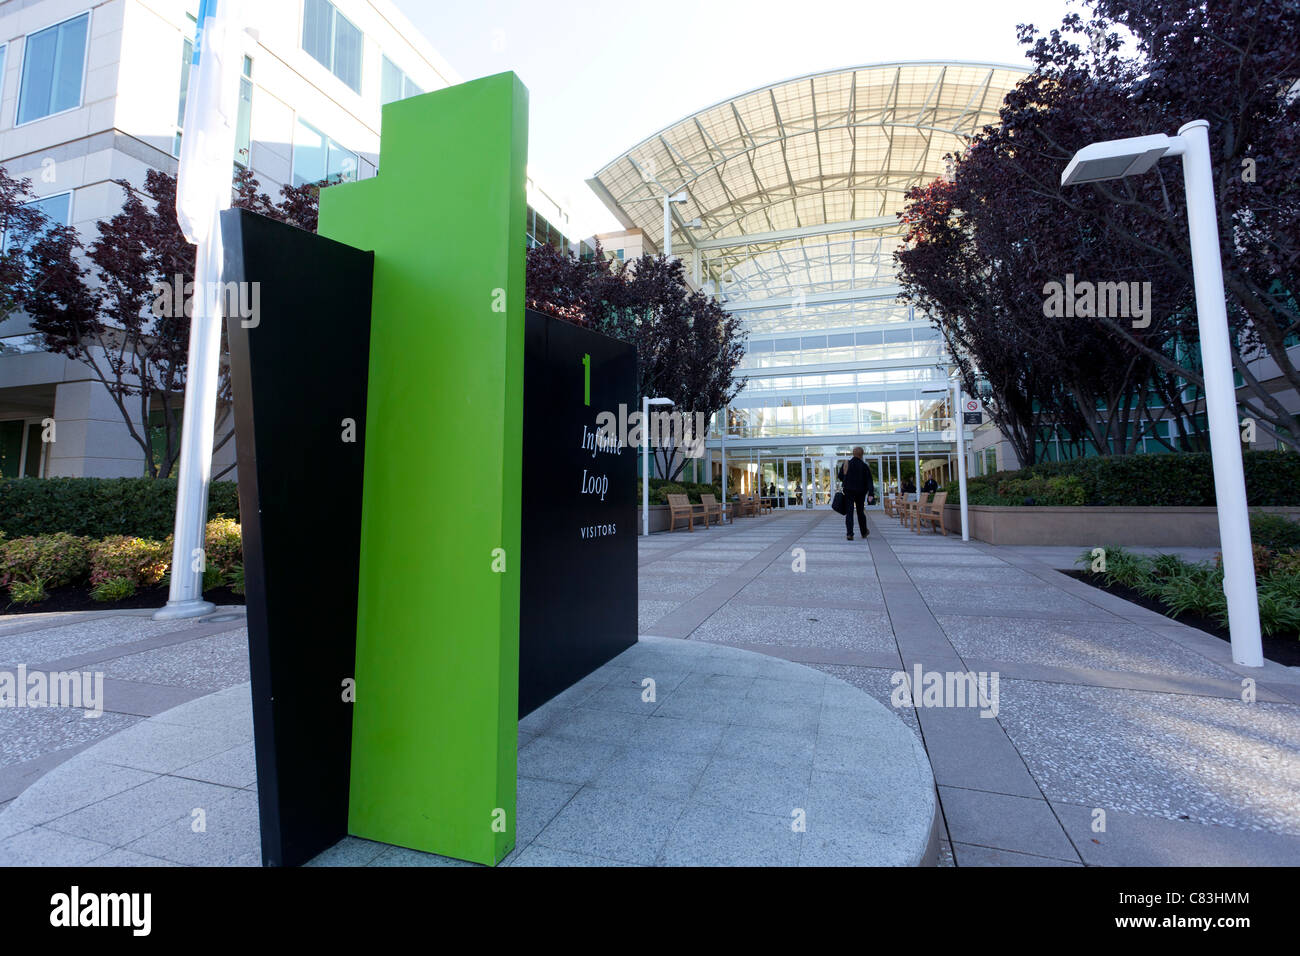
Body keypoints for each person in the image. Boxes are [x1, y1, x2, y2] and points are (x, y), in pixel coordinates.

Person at [838, 447, 876, 540]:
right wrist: (871, 493)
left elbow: (840, 477)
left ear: (853, 453)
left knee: (849, 513)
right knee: (860, 512)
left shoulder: (846, 464)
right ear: (862, 454)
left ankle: (850, 534)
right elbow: (869, 481)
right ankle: (863, 532)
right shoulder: (864, 466)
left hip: (848, 492)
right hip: (860, 493)